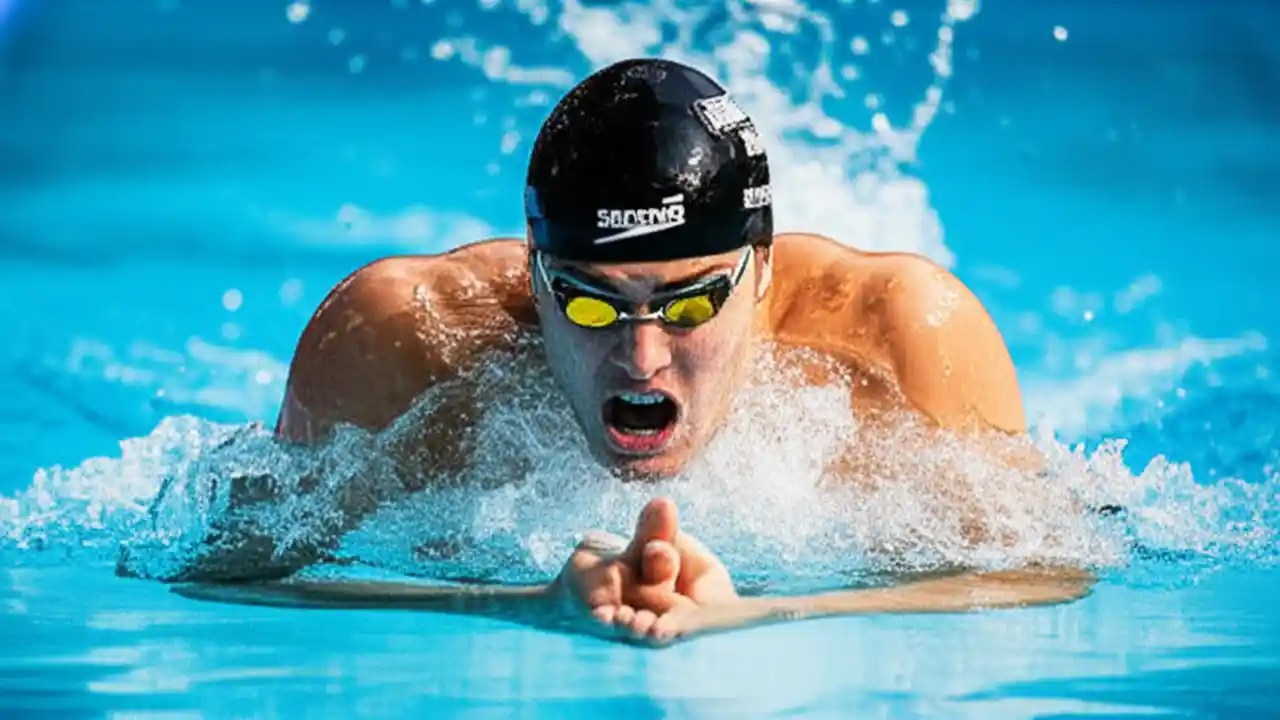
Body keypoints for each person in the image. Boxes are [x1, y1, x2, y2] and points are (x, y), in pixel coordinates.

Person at [147, 58, 1091, 645]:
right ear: (534, 275)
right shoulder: (401, 343)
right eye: (591, 305)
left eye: (692, 301)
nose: (641, 358)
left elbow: (1051, 571)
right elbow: (212, 572)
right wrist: (518, 604)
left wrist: (758, 613)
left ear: (759, 270)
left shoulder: (901, 340)